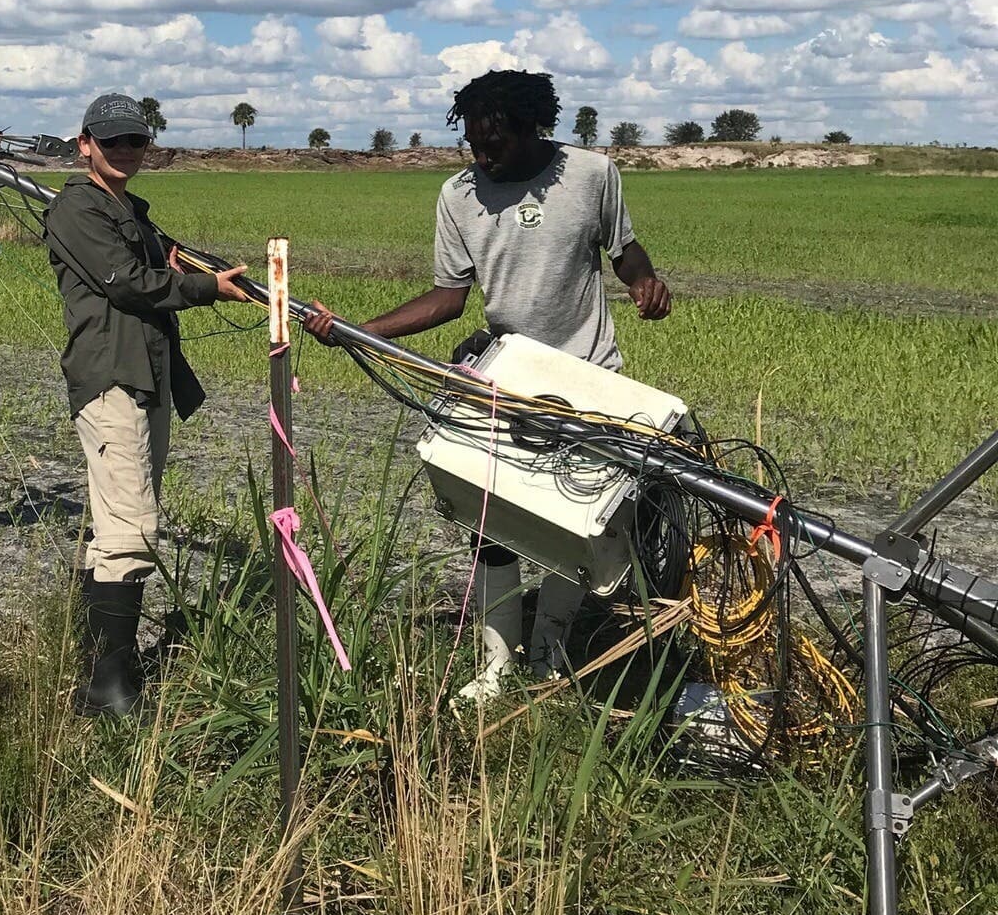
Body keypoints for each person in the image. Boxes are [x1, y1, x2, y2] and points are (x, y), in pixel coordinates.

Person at [303, 68, 671, 695]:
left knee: (575, 520)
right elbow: (450, 298)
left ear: (533, 129)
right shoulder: (459, 195)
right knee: (489, 516)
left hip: (589, 377)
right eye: (472, 142)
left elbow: (624, 250)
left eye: (494, 142)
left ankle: (548, 652)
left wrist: (644, 281)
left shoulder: (591, 175)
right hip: (502, 375)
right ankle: (496, 666)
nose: (482, 155)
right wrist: (362, 330)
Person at [44, 91, 251, 715]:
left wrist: (196, 270)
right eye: (112, 142)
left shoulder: (129, 209)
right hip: (112, 378)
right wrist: (204, 288)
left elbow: (148, 266)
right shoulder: (78, 206)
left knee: (116, 525)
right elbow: (124, 282)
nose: (126, 151)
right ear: (84, 145)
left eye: (136, 141)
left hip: (146, 377)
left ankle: (98, 669)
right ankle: (114, 688)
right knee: (131, 529)